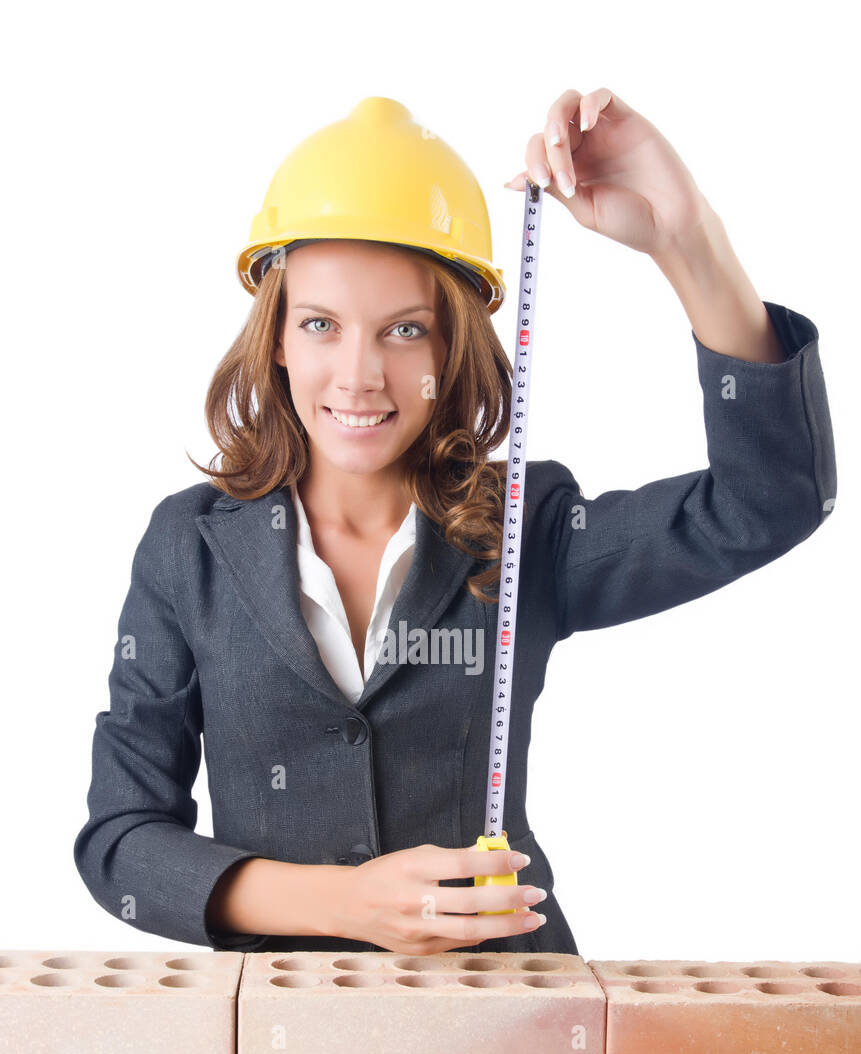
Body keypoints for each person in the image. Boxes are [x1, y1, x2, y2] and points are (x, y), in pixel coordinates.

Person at [73, 92, 837, 957]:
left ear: (451, 350)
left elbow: (767, 501)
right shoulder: (189, 547)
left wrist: (685, 238)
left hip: (510, 1029)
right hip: (285, 1049)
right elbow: (123, 842)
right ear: (278, 339)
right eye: (321, 324)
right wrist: (340, 902)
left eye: (405, 330)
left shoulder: (523, 532)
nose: (358, 375)